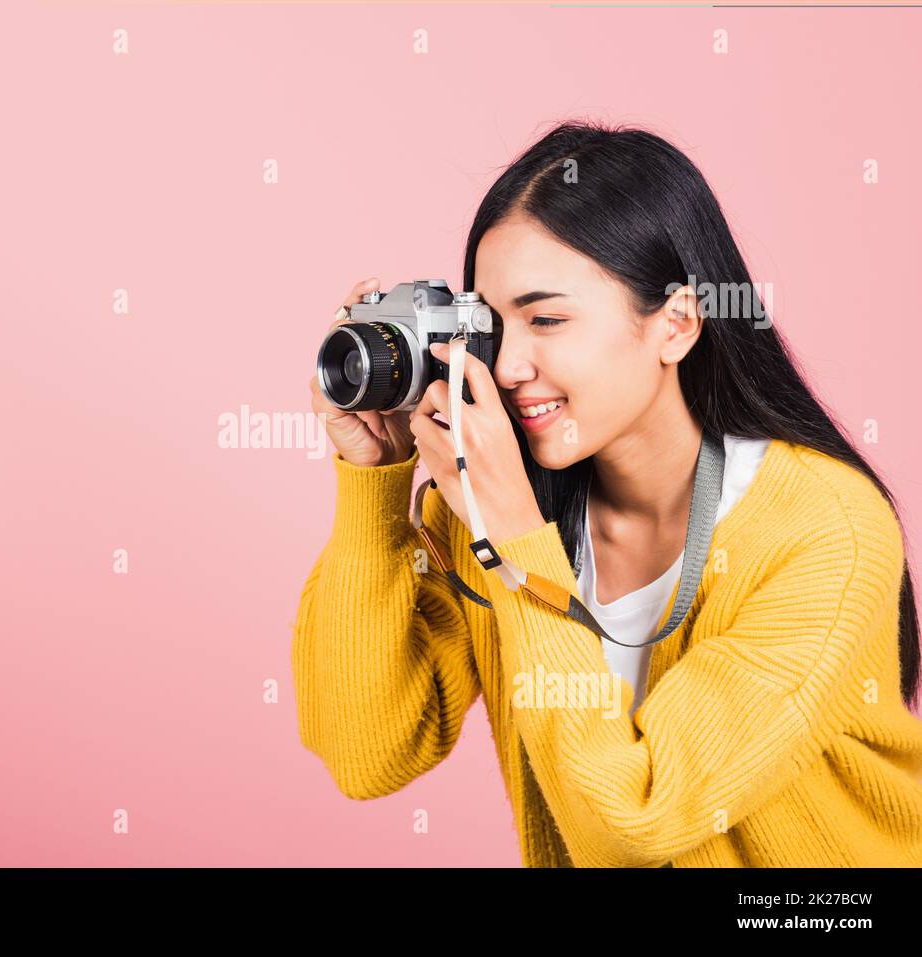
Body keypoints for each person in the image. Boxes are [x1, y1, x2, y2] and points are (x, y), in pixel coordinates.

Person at [293, 121, 922, 867]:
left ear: (678, 323)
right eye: (492, 326)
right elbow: (367, 754)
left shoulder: (824, 528)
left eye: (548, 319)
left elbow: (634, 821)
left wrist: (518, 545)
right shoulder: (492, 503)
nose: (510, 364)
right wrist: (376, 485)